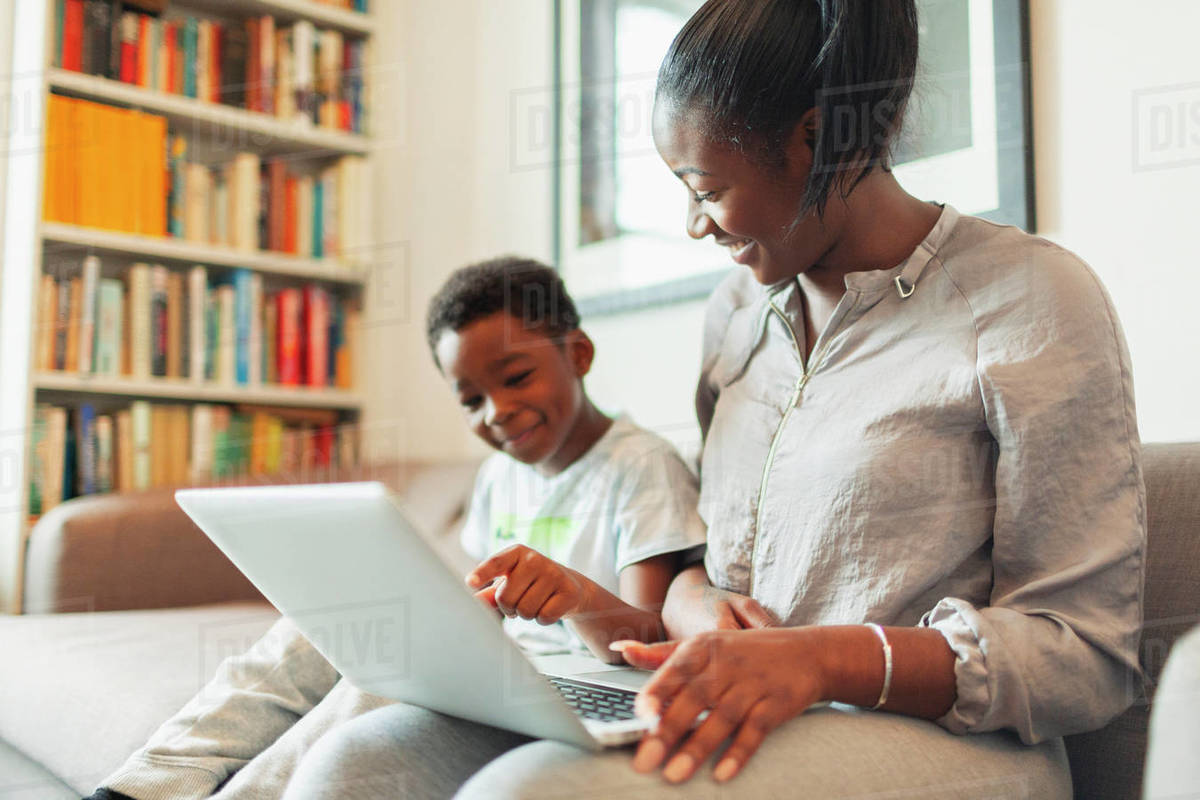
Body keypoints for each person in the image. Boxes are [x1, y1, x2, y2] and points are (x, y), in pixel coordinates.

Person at [282, 1, 1145, 797]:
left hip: (950, 746)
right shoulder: (736, 314)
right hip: (732, 702)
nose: (697, 225)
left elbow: (1087, 656)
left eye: (706, 188)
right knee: (360, 762)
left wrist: (820, 661)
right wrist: (697, 607)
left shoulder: (1032, 299)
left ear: (815, 138)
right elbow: (711, 567)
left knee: (530, 791)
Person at [86, 258, 705, 800]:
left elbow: (643, 645)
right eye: (470, 400)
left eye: (515, 378)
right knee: (309, 633)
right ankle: (139, 786)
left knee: (376, 687)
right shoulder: (499, 476)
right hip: (503, 670)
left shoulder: (642, 466)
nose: (497, 412)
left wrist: (578, 595)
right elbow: (483, 603)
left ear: (579, 354)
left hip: (566, 690)